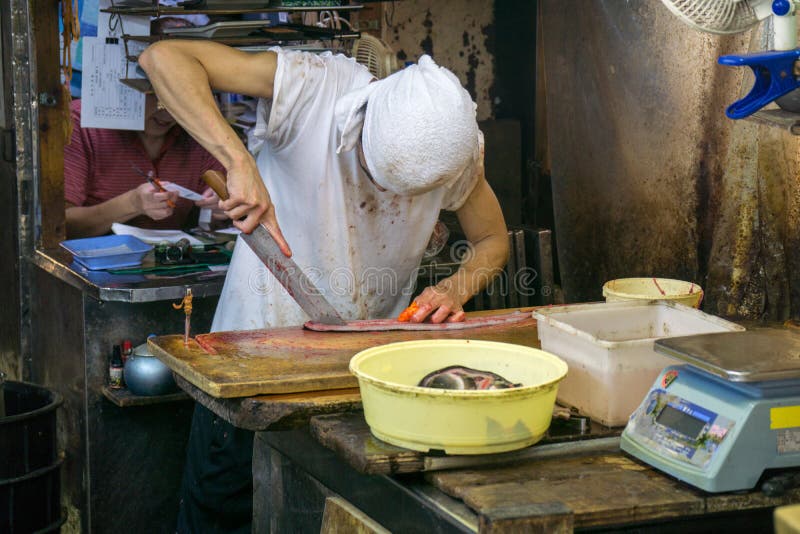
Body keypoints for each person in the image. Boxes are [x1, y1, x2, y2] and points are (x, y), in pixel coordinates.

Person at [139, 40, 510, 532]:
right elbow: (162, 59)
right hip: (247, 375)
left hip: (358, 383)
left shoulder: (452, 150)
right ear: (363, 125)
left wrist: (454, 289)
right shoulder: (314, 88)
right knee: (218, 519)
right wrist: (238, 160)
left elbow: (491, 240)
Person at [64, 94, 227, 238]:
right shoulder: (80, 122)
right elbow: (60, 226)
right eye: (156, 95)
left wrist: (218, 207)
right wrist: (132, 204)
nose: (168, 112)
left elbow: (222, 205)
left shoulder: (196, 132)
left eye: (179, 97)